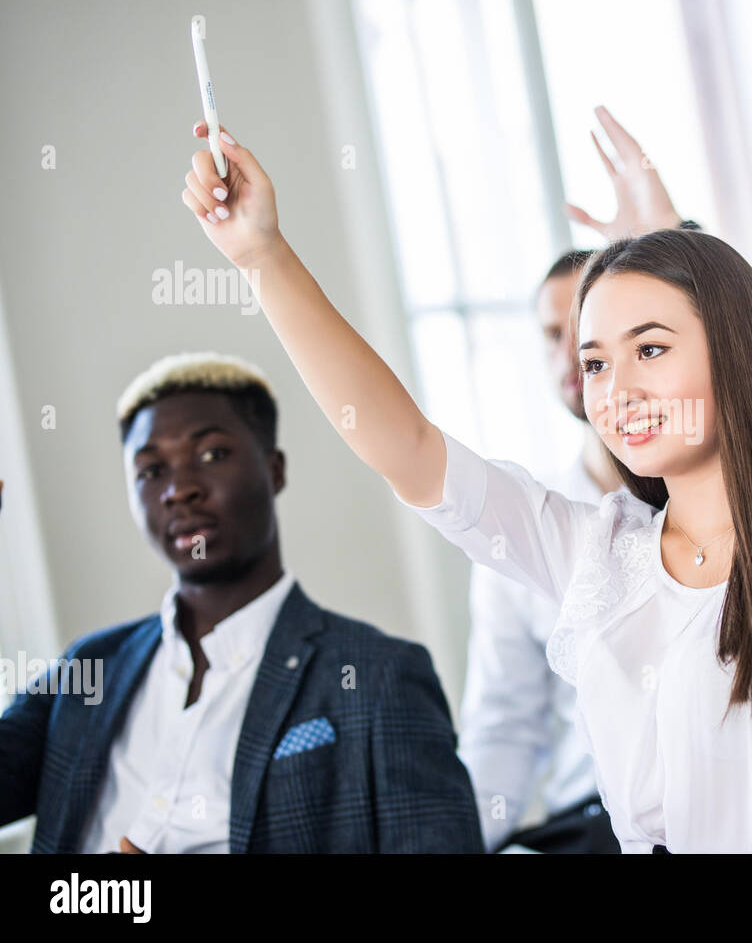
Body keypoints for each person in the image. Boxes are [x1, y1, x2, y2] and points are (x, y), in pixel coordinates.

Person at [178, 122, 752, 853]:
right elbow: (407, 446)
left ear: (736, 354)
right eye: (594, 363)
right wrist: (263, 257)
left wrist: (674, 230)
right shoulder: (596, 554)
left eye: (649, 349)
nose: (614, 389)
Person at [461, 108, 752, 853]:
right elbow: (503, 722)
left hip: (749, 811)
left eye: (644, 343)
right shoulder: (542, 526)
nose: (584, 358)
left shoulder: (749, 496)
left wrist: (678, 235)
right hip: (590, 823)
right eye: (565, 339)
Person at [0, 353, 483, 853]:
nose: (178, 490)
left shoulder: (377, 675)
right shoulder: (90, 668)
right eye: (150, 471)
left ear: (274, 470)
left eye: (211, 454)